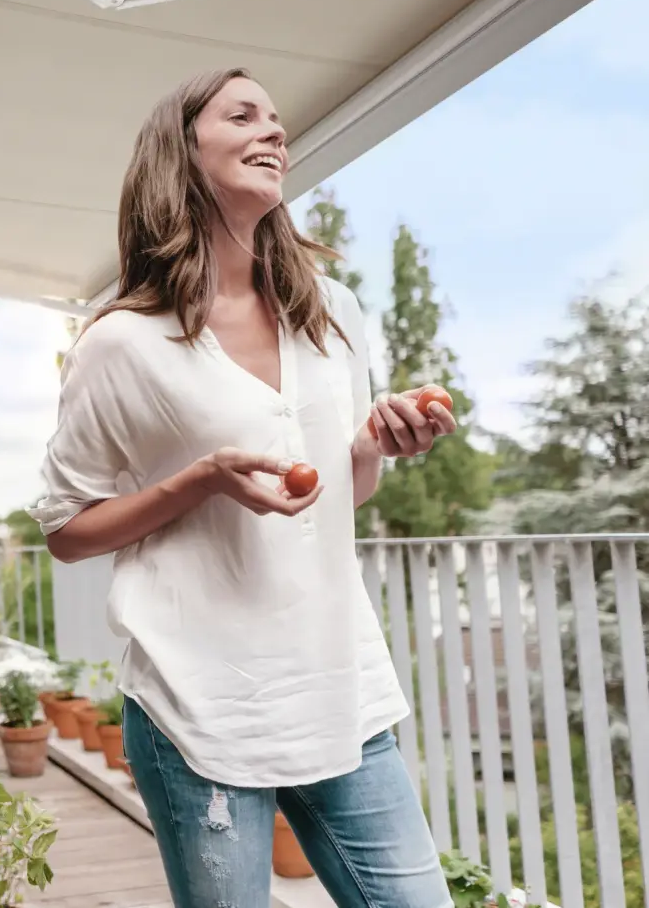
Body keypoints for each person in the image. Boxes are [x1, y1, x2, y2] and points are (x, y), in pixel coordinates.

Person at [30, 69, 457, 908]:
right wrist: (198, 483)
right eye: (243, 115)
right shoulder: (121, 343)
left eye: (277, 120)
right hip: (201, 708)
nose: (275, 132)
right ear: (181, 150)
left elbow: (343, 492)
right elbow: (65, 527)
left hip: (341, 690)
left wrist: (373, 441)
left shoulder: (331, 312)